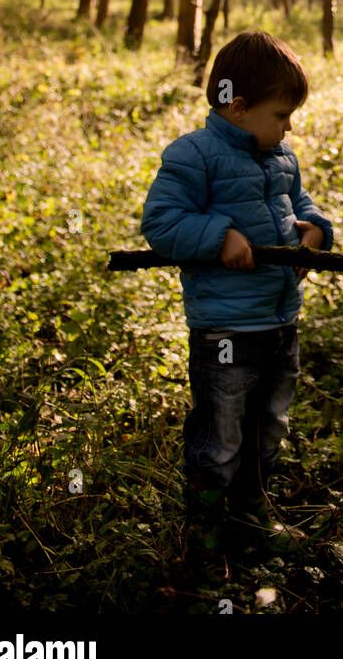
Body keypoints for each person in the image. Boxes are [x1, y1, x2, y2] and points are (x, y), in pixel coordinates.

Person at [140, 30, 333, 562]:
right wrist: (218, 236)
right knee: (218, 438)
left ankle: (252, 516)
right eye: (282, 114)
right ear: (240, 107)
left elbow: (301, 203)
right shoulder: (193, 156)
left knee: (268, 428)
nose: (289, 125)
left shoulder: (282, 157)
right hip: (224, 331)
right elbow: (160, 222)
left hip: (279, 322)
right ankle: (201, 539)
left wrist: (315, 229)